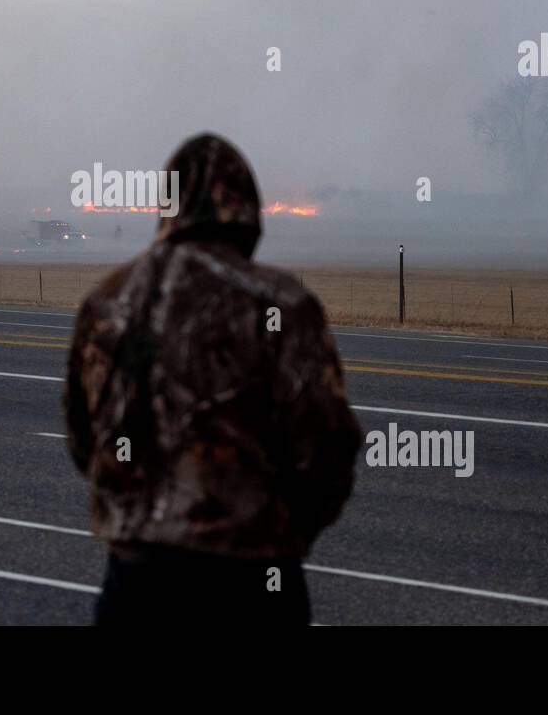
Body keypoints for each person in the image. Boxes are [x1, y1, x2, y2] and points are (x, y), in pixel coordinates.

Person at [63, 133, 363, 626]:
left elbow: (84, 439)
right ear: (248, 210)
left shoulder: (107, 302)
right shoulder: (282, 302)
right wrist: (289, 535)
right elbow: (327, 444)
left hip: (139, 582)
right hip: (253, 578)